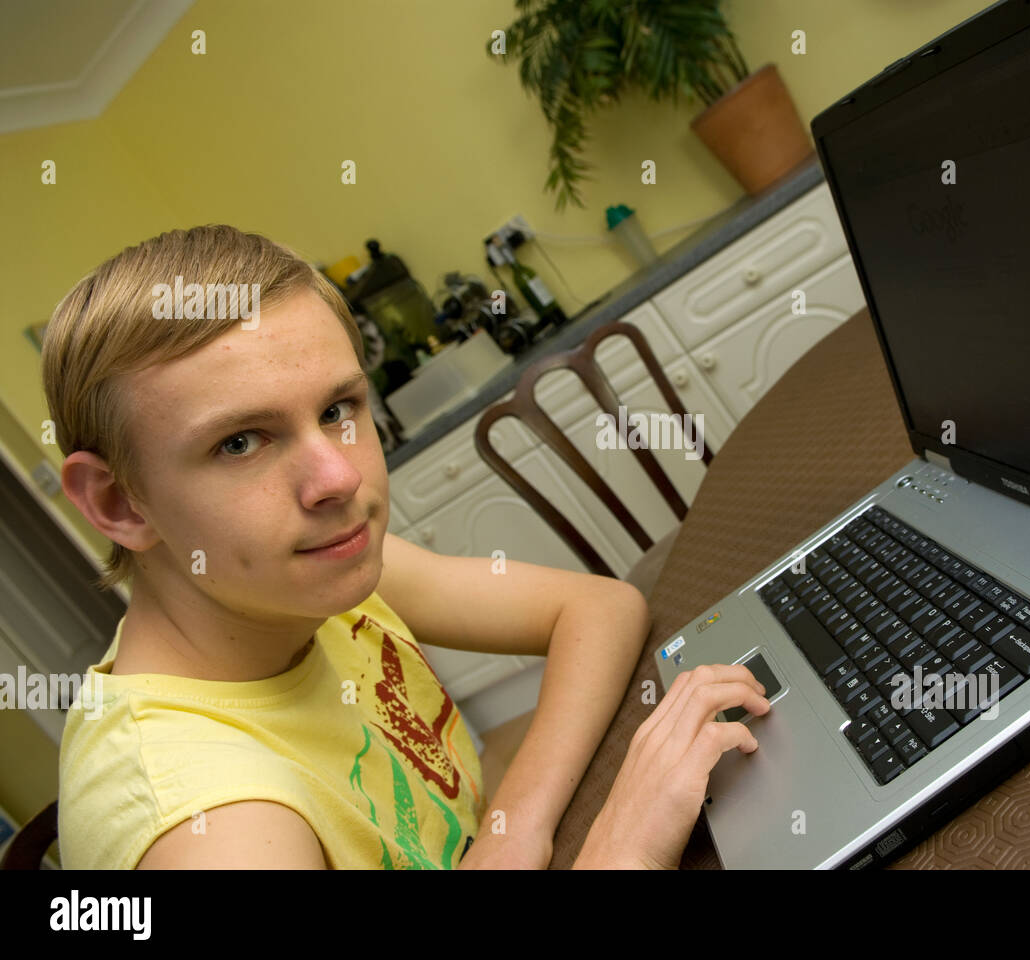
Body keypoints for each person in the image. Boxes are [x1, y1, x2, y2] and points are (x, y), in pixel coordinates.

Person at [45, 224, 768, 870]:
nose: (338, 477)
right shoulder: (212, 823)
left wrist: (512, 833)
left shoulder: (300, 581)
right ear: (118, 502)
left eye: (337, 410)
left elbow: (600, 607)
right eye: (240, 442)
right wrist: (622, 851)